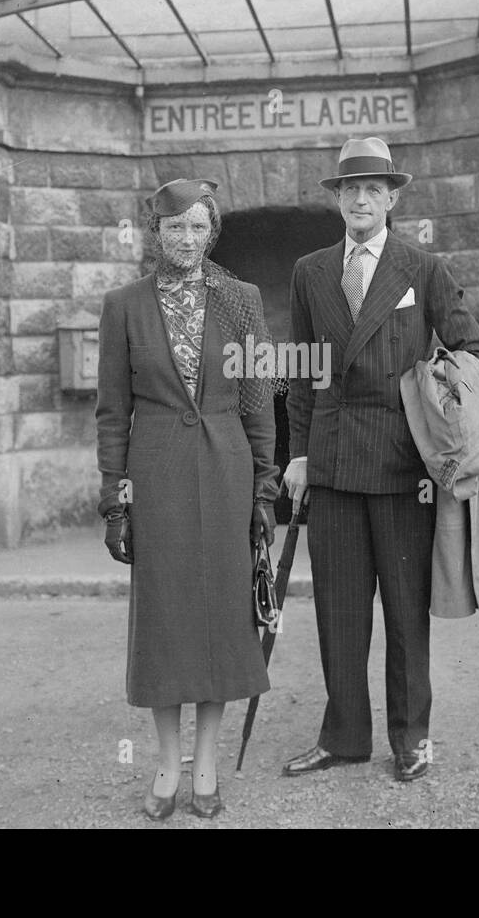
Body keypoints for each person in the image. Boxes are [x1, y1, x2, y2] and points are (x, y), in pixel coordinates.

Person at [281, 137, 479, 783]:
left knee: (404, 612)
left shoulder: (422, 269)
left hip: (405, 471)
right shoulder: (311, 271)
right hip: (335, 462)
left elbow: (477, 353)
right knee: (338, 610)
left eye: (373, 188)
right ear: (338, 199)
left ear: (394, 197)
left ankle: (411, 737)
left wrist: (432, 393)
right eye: (350, 189)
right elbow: (300, 371)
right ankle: (345, 734)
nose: (361, 198)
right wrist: (296, 455)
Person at [95, 178, 280, 821]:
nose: (188, 238)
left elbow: (260, 404)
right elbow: (112, 414)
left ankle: (206, 766)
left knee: (222, 624)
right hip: (158, 479)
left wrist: (265, 488)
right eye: (175, 228)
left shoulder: (240, 300)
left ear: (211, 233)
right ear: (157, 234)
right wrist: (116, 502)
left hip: (227, 474)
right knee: (167, 624)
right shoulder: (124, 306)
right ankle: (168, 765)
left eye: (199, 227)